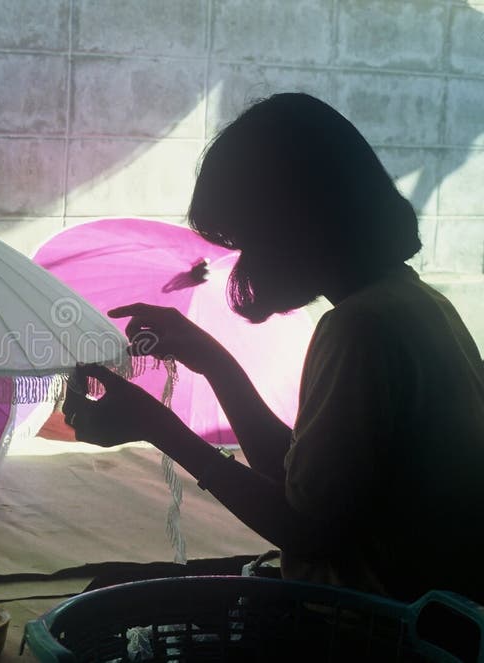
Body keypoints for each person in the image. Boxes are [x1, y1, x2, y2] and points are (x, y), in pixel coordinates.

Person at [62, 93, 484, 604]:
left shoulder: (359, 329)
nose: (242, 264)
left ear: (294, 222)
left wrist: (157, 426)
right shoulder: (414, 303)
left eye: (248, 240)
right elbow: (307, 489)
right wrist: (215, 362)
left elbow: (307, 532)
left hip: (376, 631)